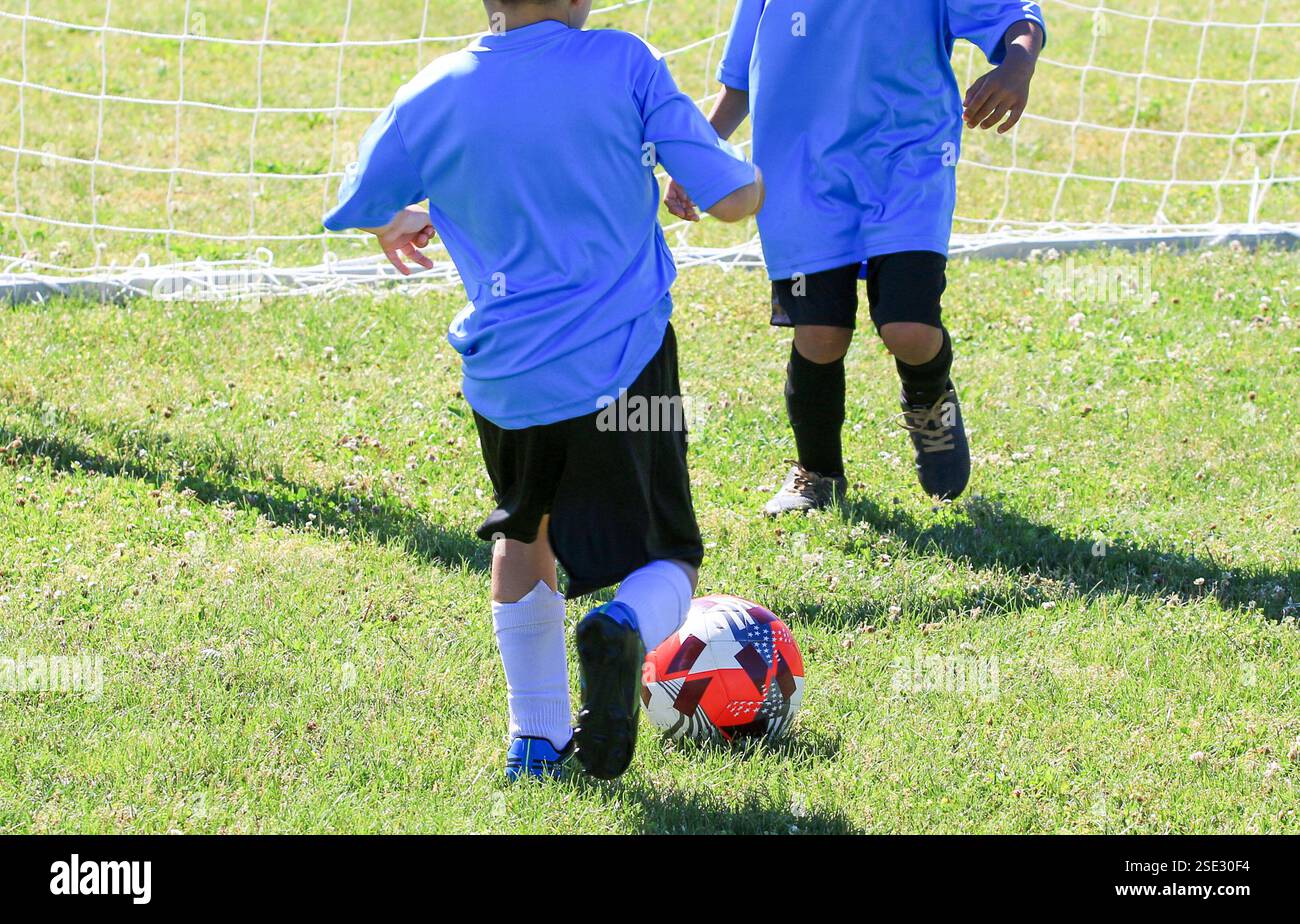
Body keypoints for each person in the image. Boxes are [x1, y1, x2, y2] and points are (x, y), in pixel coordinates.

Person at [323, 0, 763, 781]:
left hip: (507, 378)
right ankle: (622, 627)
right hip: (624, 361)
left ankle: (536, 743)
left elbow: (358, 202)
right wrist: (754, 182)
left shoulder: (433, 89)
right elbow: (729, 198)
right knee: (671, 552)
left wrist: (405, 217)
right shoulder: (622, 62)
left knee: (524, 534)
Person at [666, 1, 1045, 514]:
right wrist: (701, 156)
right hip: (800, 173)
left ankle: (930, 403)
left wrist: (1018, 65)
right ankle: (817, 473)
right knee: (820, 336)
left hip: (907, 161)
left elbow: (1012, 18)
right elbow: (741, 82)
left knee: (908, 329)